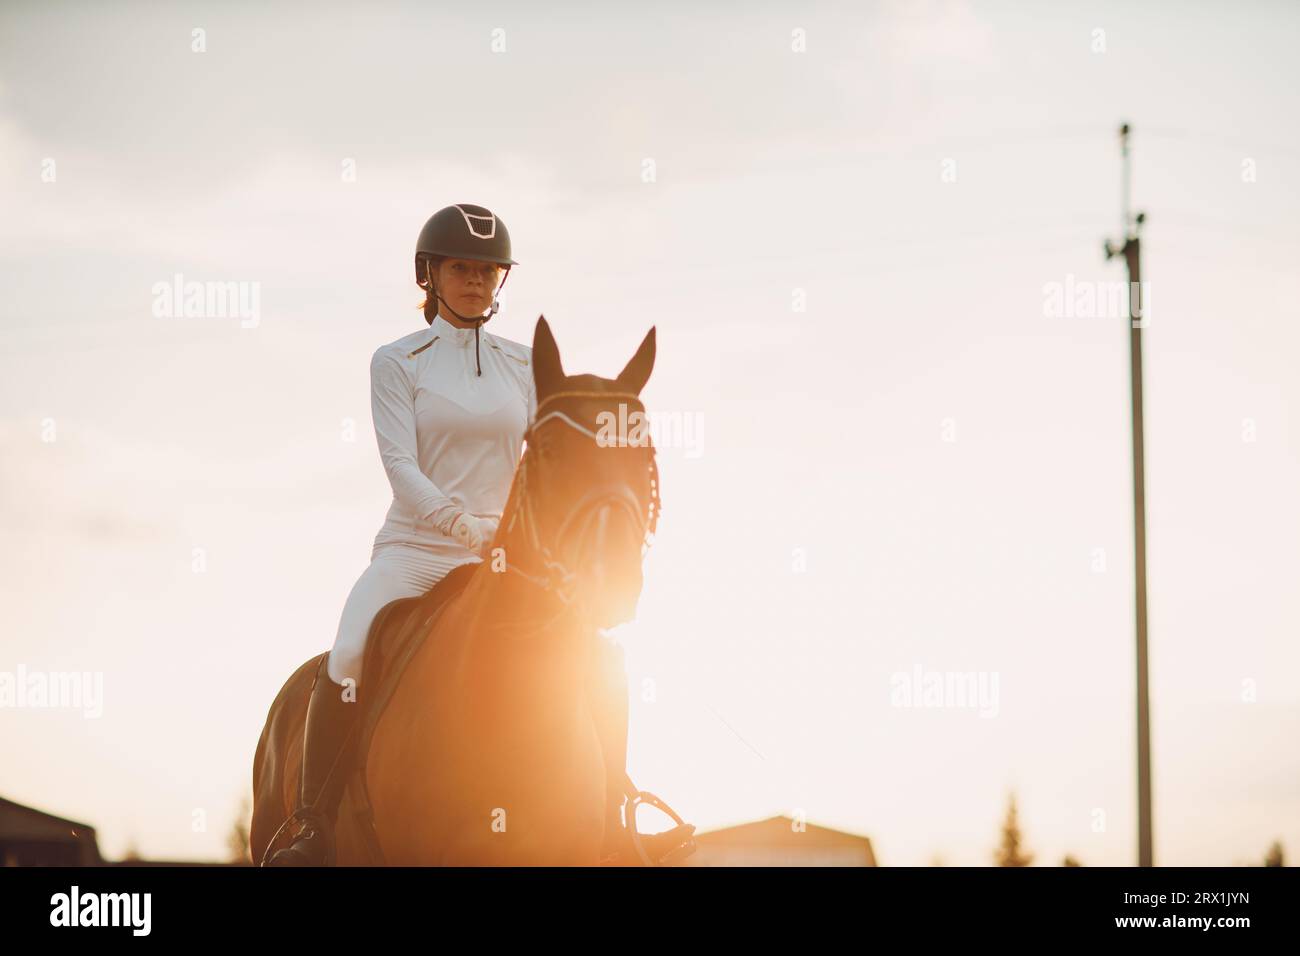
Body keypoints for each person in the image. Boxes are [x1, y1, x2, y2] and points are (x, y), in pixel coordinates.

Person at [266, 203, 534, 866]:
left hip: (504, 561)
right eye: (461, 267)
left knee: (591, 654)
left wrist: (513, 535)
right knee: (349, 650)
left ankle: (614, 806)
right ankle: (313, 825)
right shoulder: (398, 361)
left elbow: (542, 464)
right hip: (417, 553)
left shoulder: (526, 366)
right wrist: (462, 526)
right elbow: (400, 465)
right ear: (431, 275)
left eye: (488, 270)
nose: (476, 281)